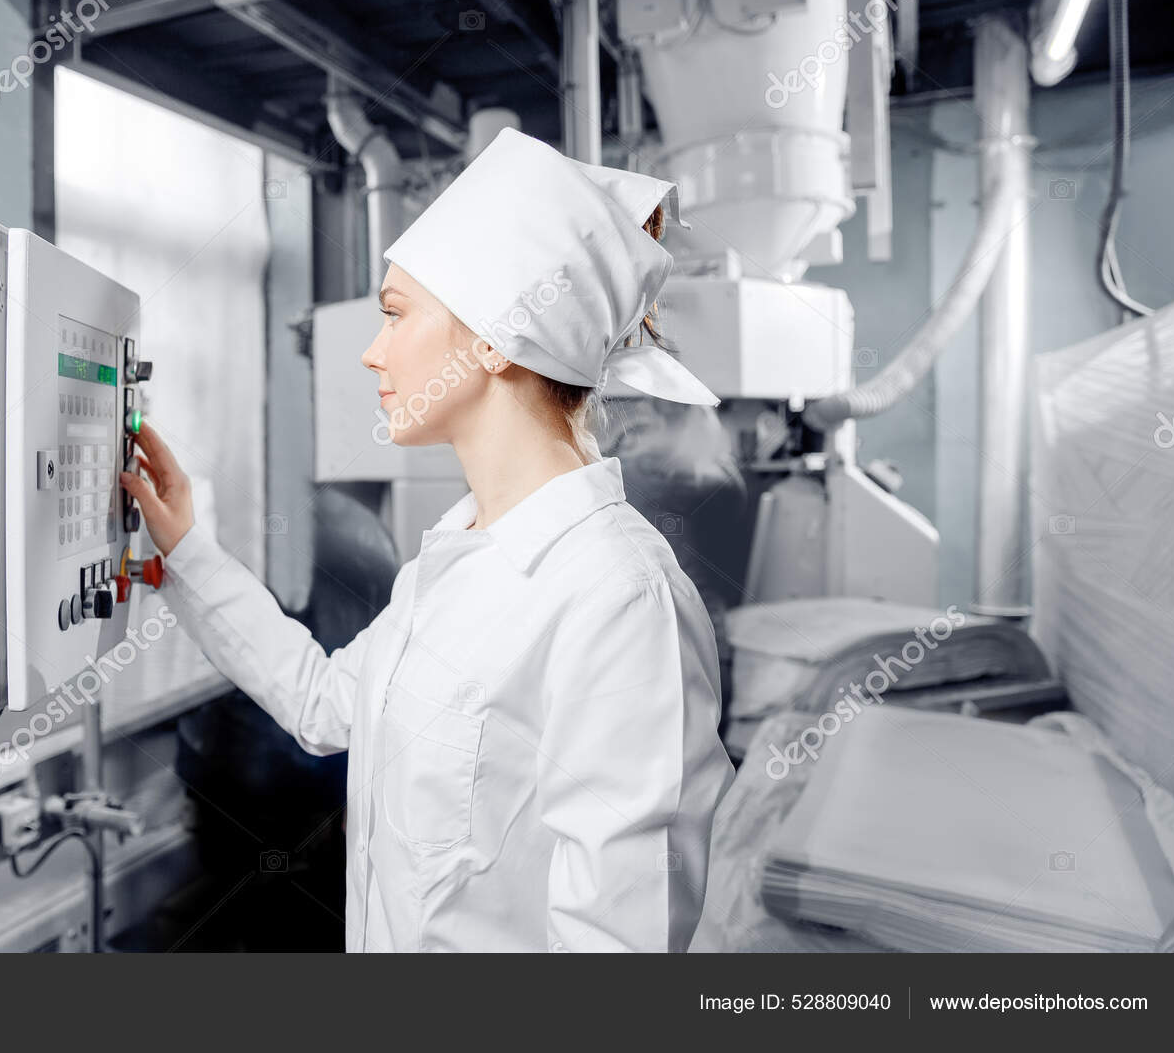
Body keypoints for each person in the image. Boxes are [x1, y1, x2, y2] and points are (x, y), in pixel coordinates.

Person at [119, 128, 735, 952]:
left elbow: (622, 946)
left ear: (492, 340)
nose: (373, 355)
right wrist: (188, 555)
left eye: (395, 315)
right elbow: (327, 704)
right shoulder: (457, 556)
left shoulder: (617, 598)